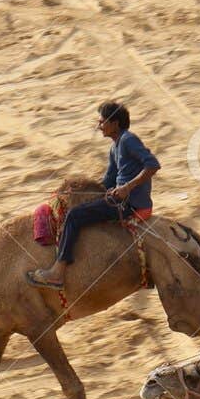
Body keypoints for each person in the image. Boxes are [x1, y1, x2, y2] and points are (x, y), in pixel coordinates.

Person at [27, 102, 159, 291]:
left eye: (102, 122)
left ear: (115, 123)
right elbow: (107, 181)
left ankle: (57, 272)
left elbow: (153, 165)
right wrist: (79, 190)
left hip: (129, 204)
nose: (99, 126)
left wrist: (127, 187)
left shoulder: (129, 140)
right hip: (119, 198)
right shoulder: (115, 148)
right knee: (75, 207)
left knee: (75, 216)